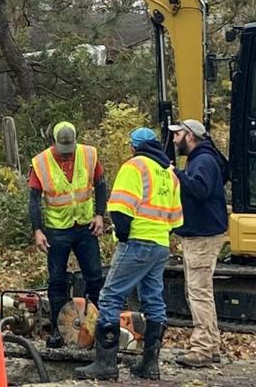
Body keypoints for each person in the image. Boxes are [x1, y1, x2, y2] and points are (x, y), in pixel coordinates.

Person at [75, 127, 182, 381]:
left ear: (134, 146)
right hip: (160, 244)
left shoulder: (134, 167)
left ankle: (106, 364)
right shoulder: (169, 173)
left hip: (137, 242)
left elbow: (121, 210)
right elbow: (176, 220)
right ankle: (150, 365)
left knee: (110, 296)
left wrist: (123, 236)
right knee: (154, 300)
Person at [28, 121, 106, 348]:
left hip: (85, 226)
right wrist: (38, 230)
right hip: (57, 229)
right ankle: (58, 332)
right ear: (54, 143)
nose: (67, 154)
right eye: (63, 150)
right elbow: (33, 200)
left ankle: (92, 330)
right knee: (57, 281)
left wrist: (99, 215)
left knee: (94, 277)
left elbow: (101, 185)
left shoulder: (89, 154)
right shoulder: (41, 162)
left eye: (69, 150)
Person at [169, 118, 229, 368]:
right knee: (200, 291)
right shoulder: (203, 158)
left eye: (178, 134)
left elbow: (200, 190)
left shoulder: (202, 160)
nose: (174, 139)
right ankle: (210, 345)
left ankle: (202, 348)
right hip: (202, 234)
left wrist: (176, 175)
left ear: (190, 136)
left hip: (202, 236)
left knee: (198, 293)